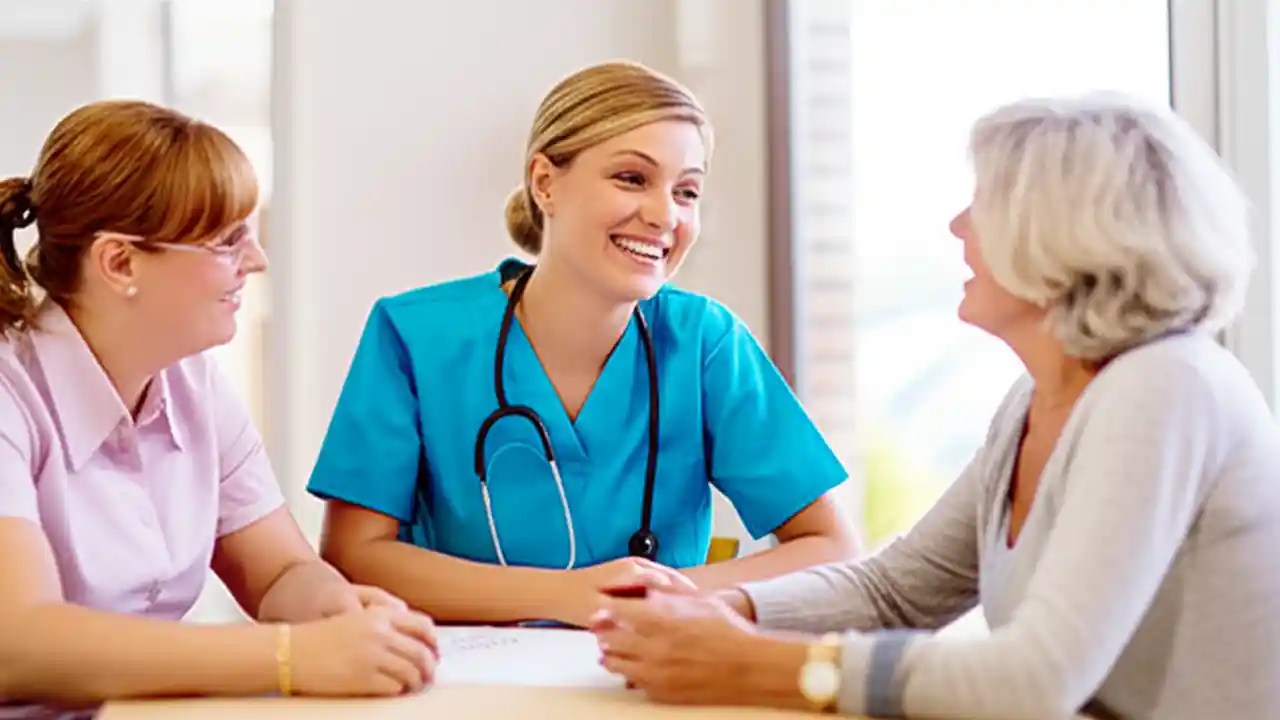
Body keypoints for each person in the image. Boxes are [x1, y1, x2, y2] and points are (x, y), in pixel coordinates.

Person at [590, 93, 1280, 719]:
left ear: (1064, 231)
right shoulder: (1038, 400)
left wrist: (752, 663)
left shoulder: (1167, 386)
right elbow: (897, 594)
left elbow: (1033, 683)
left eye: (983, 204)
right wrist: (712, 609)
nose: (957, 226)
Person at [308, 61, 860, 628]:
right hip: (456, 682)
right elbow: (355, 556)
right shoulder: (416, 335)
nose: (664, 215)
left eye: (687, 191)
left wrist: (659, 594)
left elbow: (830, 545)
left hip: (651, 671)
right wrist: (565, 596)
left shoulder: (705, 344)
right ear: (545, 183)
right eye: (632, 178)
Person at [0, 100, 437, 719]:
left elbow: (280, 571)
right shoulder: (9, 394)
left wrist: (340, 612)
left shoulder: (192, 382)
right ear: (120, 261)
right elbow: (18, 644)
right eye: (229, 241)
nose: (256, 262)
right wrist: (291, 657)